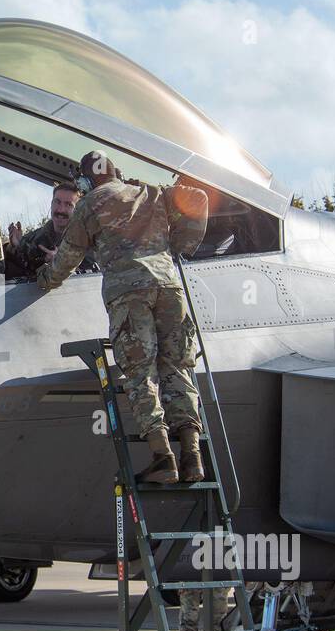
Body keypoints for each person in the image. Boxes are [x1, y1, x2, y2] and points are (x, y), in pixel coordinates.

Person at [36, 150, 209, 485]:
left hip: (129, 295)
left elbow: (66, 259)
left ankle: (162, 457)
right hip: (170, 289)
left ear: (86, 180)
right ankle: (192, 456)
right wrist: (181, 244)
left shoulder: (89, 205)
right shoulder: (150, 191)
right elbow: (198, 198)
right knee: (177, 367)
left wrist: (44, 277)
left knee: (140, 372)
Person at [4, 182, 99, 279]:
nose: (61, 210)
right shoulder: (34, 237)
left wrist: (63, 264)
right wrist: (15, 245)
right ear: (51, 203)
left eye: (68, 205)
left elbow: (95, 275)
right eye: (57, 202)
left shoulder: (89, 239)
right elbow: (17, 268)